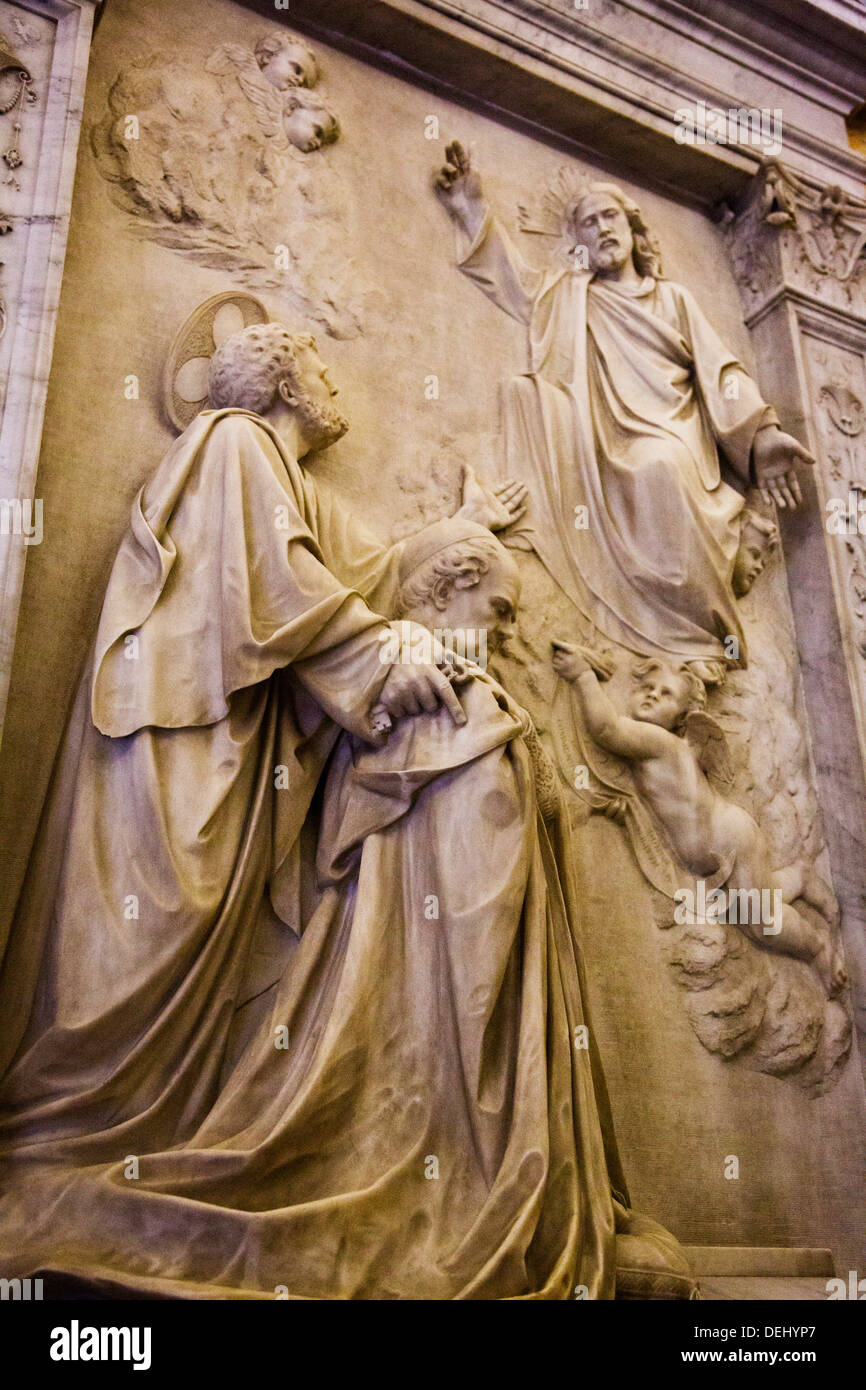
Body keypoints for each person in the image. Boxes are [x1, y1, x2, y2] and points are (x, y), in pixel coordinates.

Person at [0, 325, 676, 1300]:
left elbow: (344, 576)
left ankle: (101, 1155)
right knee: (132, 980)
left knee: (189, 994)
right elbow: (280, 593)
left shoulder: (279, 479)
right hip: (178, 755)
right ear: (278, 378)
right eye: (315, 365)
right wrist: (385, 659)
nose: (329, 381)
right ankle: (63, 1153)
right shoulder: (232, 441)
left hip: (229, 760)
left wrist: (459, 532)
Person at [435, 142, 815, 673]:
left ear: (634, 229)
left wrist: (762, 436)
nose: (602, 229)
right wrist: (471, 207)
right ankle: (673, 644)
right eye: (588, 224)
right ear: (580, 244)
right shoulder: (573, 296)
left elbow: (722, 372)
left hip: (674, 432)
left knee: (664, 463)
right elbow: (517, 286)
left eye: (610, 216)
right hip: (604, 438)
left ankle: (702, 638)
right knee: (637, 454)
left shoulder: (673, 299)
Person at [551, 641, 847, 996]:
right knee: (757, 900)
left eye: (664, 695)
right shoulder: (656, 749)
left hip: (727, 841)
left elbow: (606, 730)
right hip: (726, 842)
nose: (651, 696)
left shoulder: (658, 743)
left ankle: (818, 950)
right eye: (647, 688)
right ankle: (797, 879)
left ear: (680, 719)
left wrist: (582, 676)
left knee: (759, 922)